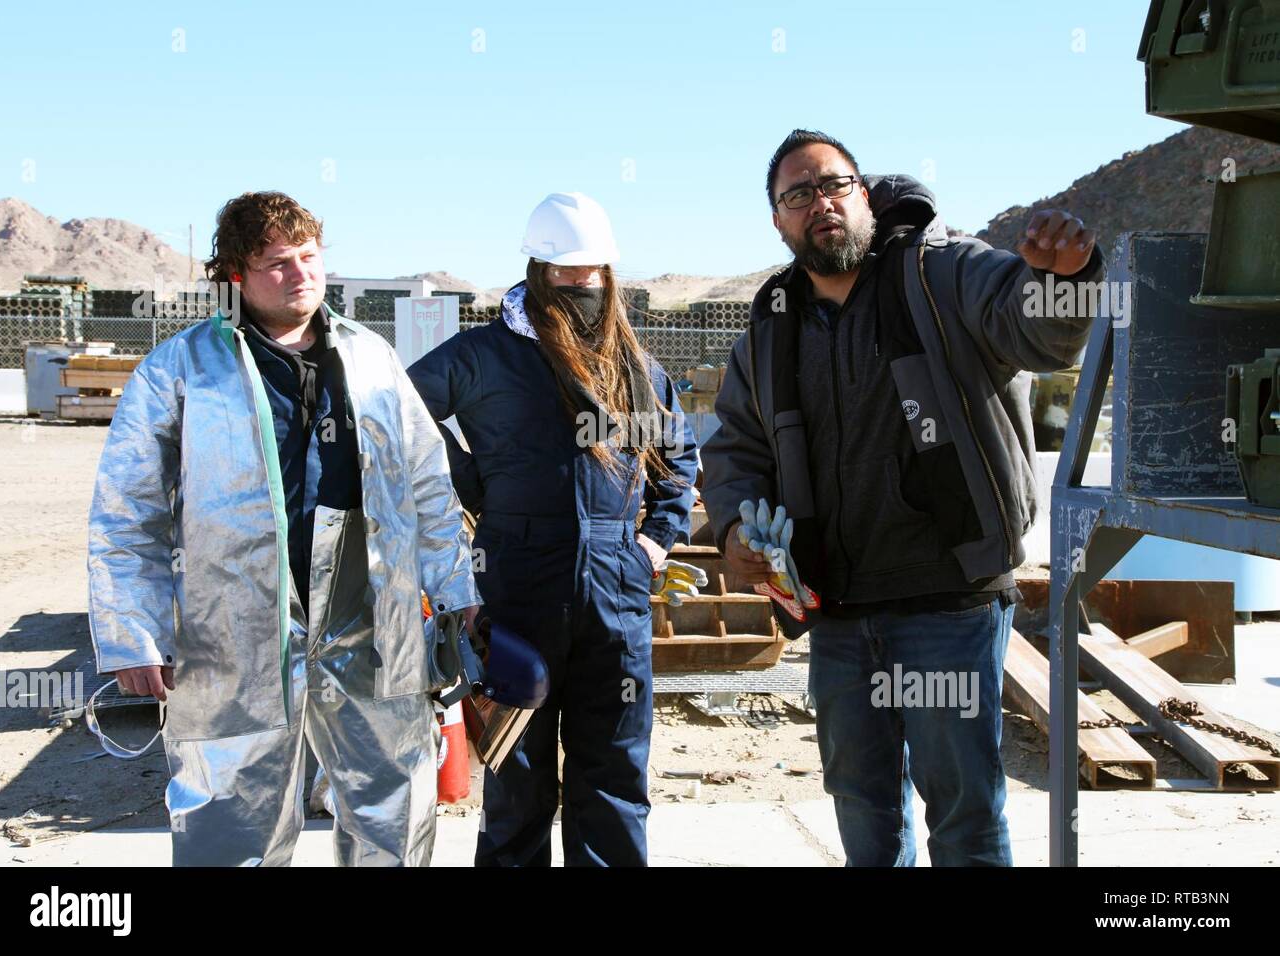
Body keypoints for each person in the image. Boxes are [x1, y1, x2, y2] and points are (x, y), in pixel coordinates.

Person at [701, 130, 1104, 866]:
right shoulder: (770, 327)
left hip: (947, 605)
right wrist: (733, 528)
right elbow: (737, 449)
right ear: (778, 221)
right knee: (864, 815)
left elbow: (1038, 332)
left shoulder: (941, 271)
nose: (820, 202)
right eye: (798, 195)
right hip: (841, 616)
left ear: (864, 193)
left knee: (964, 818)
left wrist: (1066, 277)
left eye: (834, 184)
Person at [87, 191, 480, 866]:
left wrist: (455, 591)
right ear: (236, 275)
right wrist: (132, 633)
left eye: (309, 256)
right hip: (234, 625)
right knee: (231, 815)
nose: (301, 273)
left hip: (370, 616)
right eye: (278, 262)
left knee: (394, 802)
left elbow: (427, 485)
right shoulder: (184, 369)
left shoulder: (370, 359)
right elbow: (129, 510)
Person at [409, 192, 699, 866]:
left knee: (615, 779)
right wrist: (471, 481)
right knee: (518, 783)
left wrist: (654, 543)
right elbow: (400, 416)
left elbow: (679, 460)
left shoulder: (634, 366)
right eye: (565, 273)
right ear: (539, 272)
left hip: (614, 596)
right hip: (516, 591)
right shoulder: (482, 356)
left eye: (591, 272)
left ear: (608, 274)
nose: (580, 286)